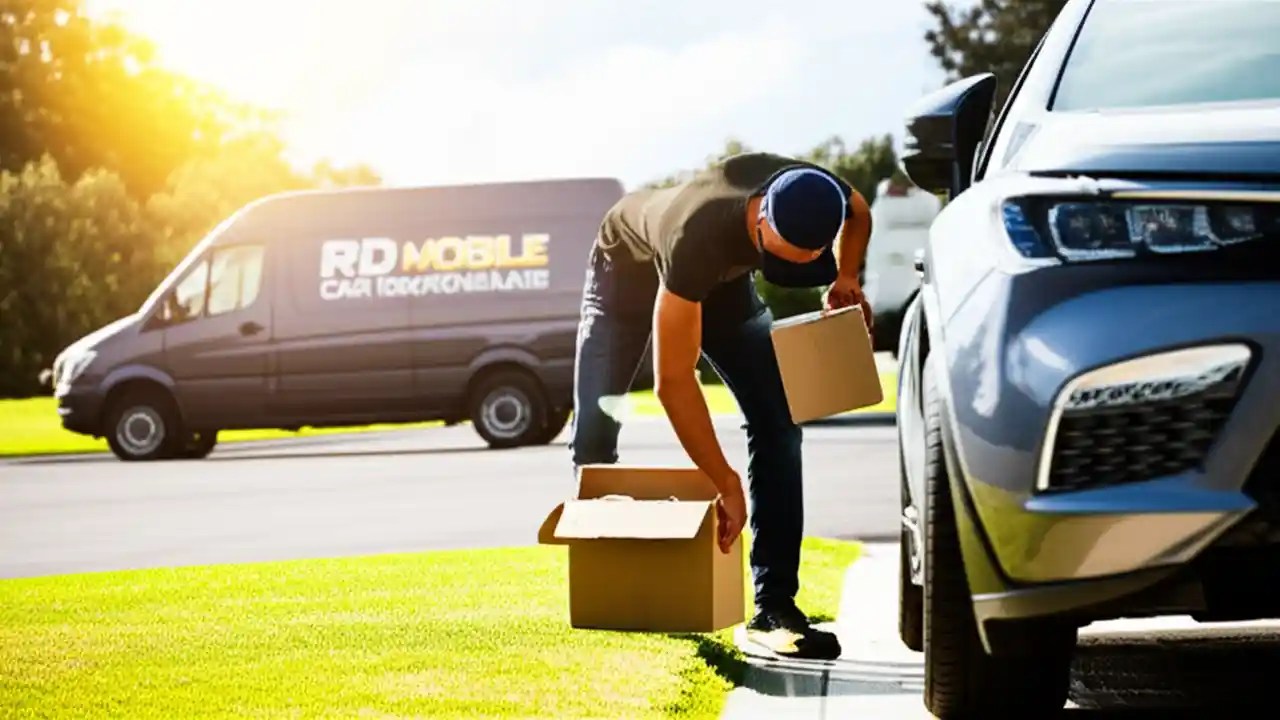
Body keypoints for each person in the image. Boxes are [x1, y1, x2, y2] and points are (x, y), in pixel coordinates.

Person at [569, 152, 872, 659]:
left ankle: (775, 610)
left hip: (725, 281)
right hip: (626, 270)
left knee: (779, 422)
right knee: (596, 433)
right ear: (761, 220)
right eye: (777, 259)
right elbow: (673, 382)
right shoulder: (695, 237)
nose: (782, 272)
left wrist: (847, 277)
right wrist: (724, 482)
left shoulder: (817, 190)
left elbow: (859, 209)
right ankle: (608, 590)